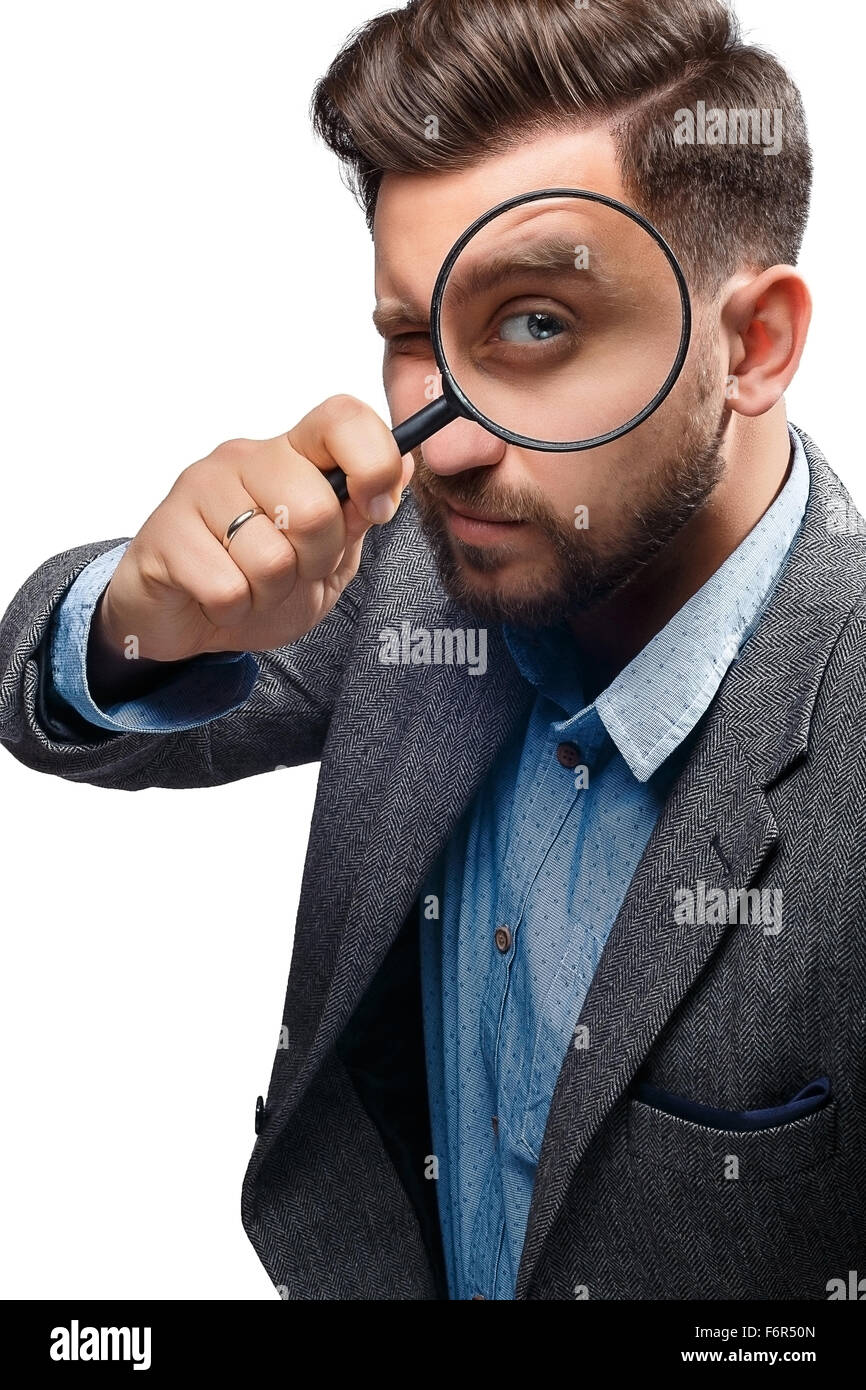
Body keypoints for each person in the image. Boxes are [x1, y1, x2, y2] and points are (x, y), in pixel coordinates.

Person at [2, 0, 864, 1301]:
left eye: (534, 325)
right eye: (411, 334)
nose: (441, 435)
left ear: (751, 345)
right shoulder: (415, 564)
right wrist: (138, 613)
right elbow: (37, 688)